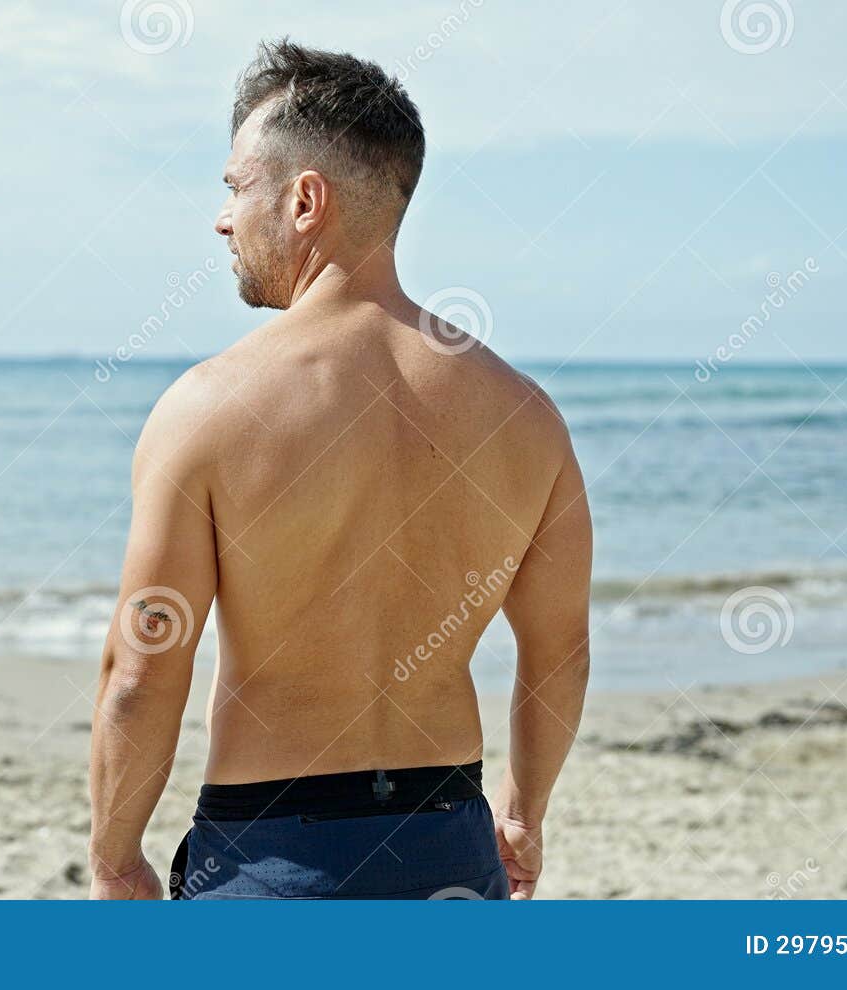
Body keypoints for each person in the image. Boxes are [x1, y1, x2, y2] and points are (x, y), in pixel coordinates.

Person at [88, 39, 592, 900]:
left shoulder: (208, 407)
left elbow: (143, 668)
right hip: (449, 840)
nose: (222, 219)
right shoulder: (526, 414)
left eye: (234, 189)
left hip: (272, 850)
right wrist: (521, 816)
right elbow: (560, 652)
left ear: (304, 200)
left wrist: (115, 855)